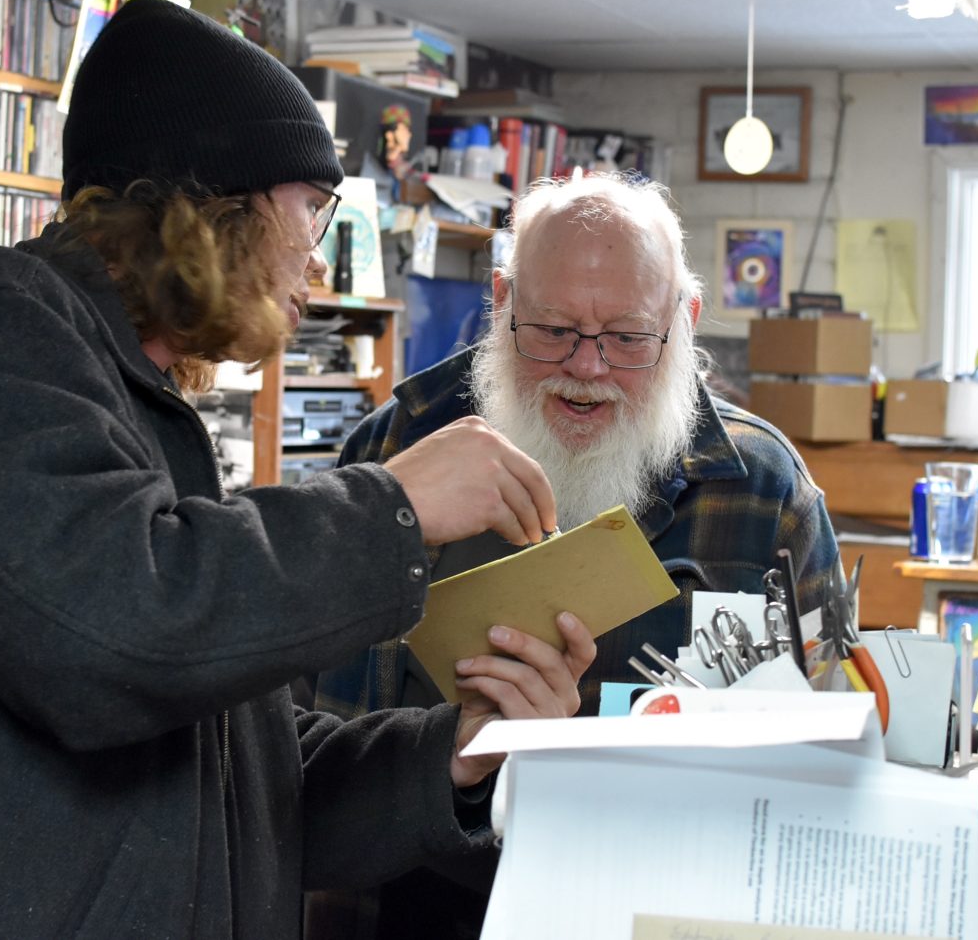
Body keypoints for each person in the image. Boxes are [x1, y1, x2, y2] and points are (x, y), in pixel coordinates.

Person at [0, 0, 597, 939]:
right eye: (311, 207)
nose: (318, 250)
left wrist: (456, 750)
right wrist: (396, 506)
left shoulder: (130, 398)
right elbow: (117, 632)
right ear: (217, 209)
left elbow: (244, 783)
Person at [310, 171, 842, 939]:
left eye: (627, 337)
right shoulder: (396, 449)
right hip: (405, 907)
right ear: (502, 303)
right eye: (552, 329)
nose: (586, 369)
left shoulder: (761, 492)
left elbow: (824, 766)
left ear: (683, 320)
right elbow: (306, 750)